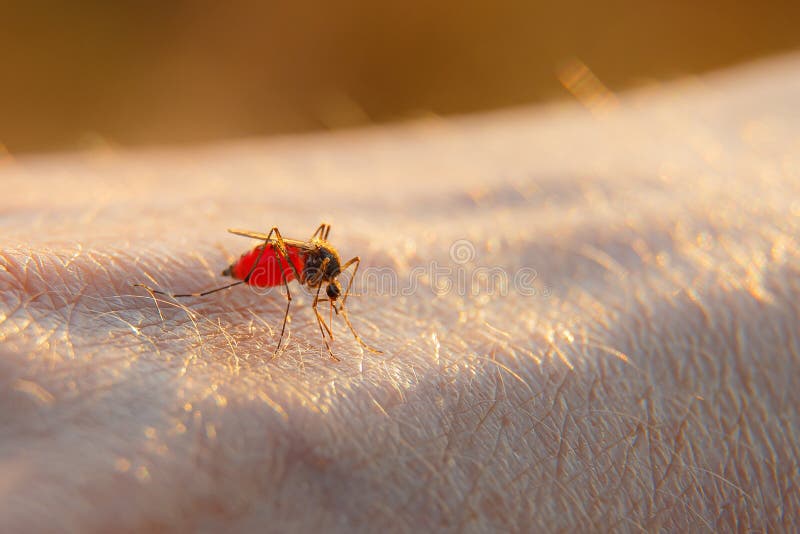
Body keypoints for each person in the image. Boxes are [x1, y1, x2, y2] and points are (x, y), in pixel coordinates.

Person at [1, 56, 798, 531]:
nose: (328, 293)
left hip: (276, 259)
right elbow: (300, 264)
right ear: (326, 279)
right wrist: (261, 274)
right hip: (263, 259)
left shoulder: (325, 270)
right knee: (282, 266)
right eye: (328, 290)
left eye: (328, 289)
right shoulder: (305, 266)